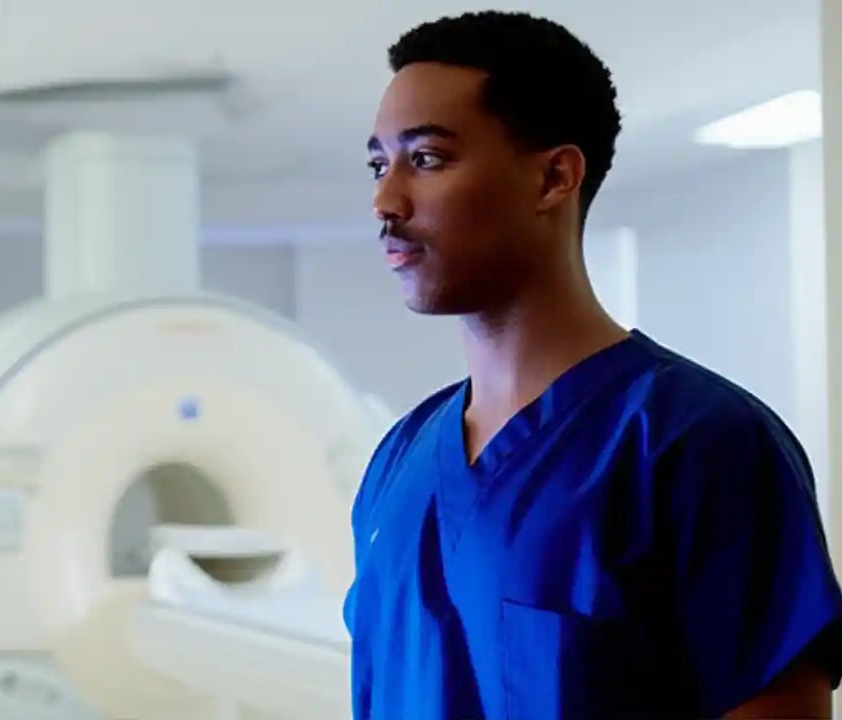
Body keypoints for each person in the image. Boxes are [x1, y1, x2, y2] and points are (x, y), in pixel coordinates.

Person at [345, 10, 842, 720]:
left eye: (426, 160)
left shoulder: (697, 443)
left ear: (554, 178)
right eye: (378, 165)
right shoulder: (398, 461)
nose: (384, 201)